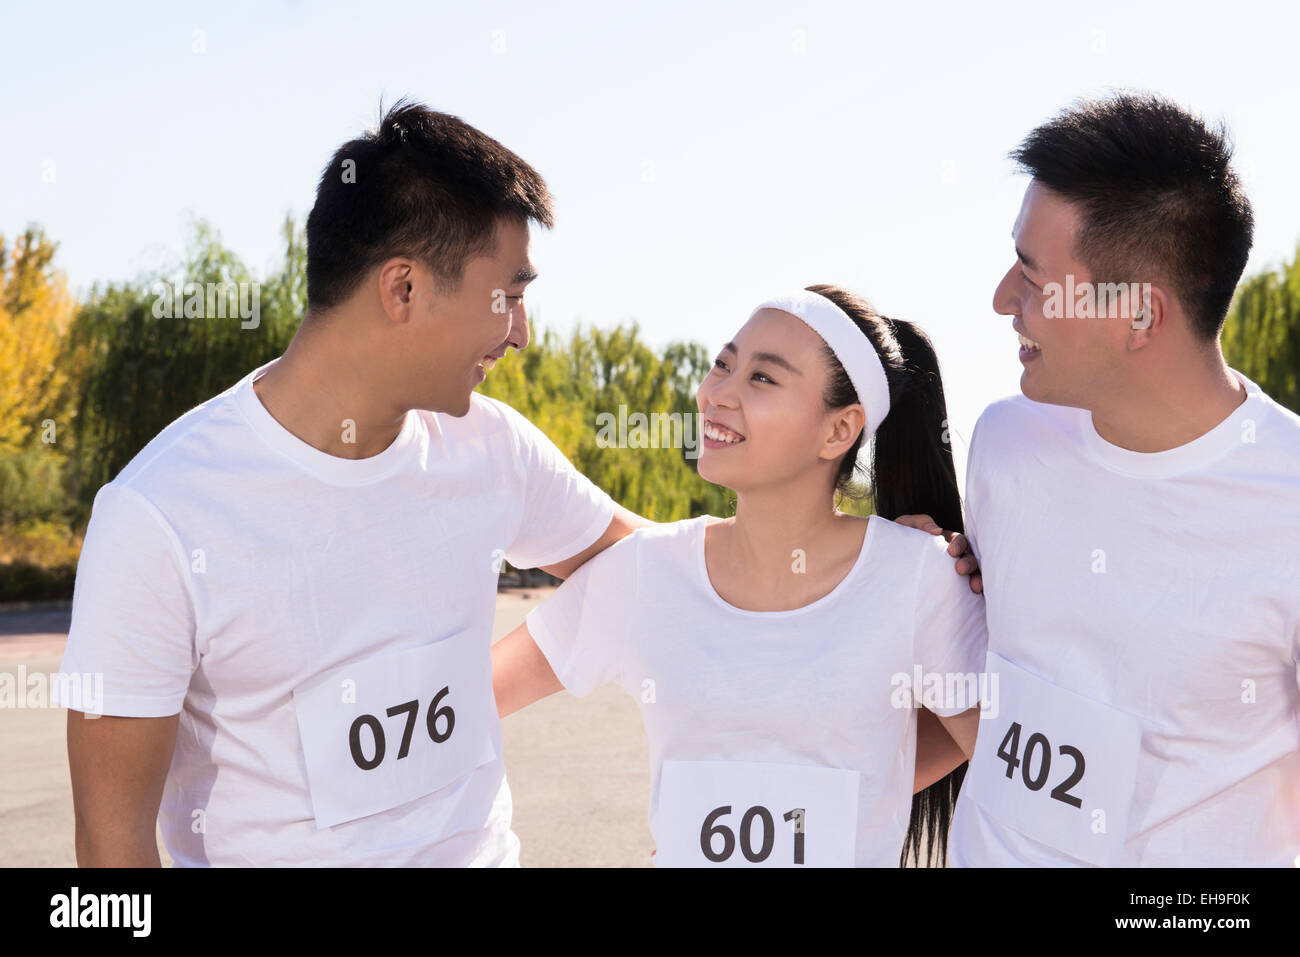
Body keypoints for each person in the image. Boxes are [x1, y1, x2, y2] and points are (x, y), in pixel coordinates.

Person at [52, 99, 652, 866]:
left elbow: (651, 571)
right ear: (402, 288)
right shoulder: (160, 513)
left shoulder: (493, 448)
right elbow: (113, 846)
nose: (521, 332)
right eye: (509, 293)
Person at [493, 285, 988, 866]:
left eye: (762, 379)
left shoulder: (920, 577)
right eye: (723, 364)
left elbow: (1025, 777)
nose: (717, 394)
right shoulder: (644, 572)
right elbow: (467, 697)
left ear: (838, 430)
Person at [928, 92, 1300, 866]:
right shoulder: (1005, 443)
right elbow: (1016, 707)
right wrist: (926, 582)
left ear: (1139, 315)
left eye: (1032, 276)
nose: (1002, 299)